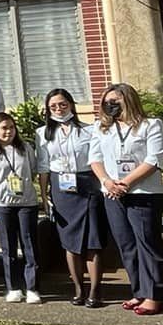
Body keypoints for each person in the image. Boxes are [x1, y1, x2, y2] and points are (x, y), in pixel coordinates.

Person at [92, 82, 163, 316]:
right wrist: (107, 181)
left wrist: (125, 184)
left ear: (128, 100)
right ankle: (139, 291)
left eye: (115, 101)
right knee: (126, 244)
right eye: (106, 102)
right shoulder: (102, 128)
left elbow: (154, 159)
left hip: (143, 194)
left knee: (148, 243)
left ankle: (153, 295)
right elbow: (95, 158)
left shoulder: (150, 125)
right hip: (112, 194)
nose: (110, 106)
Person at [39, 91, 105, 305]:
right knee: (70, 240)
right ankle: (78, 289)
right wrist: (44, 195)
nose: (59, 109)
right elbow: (43, 167)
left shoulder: (89, 129)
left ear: (71, 105)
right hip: (62, 188)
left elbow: (97, 159)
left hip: (87, 184)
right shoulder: (43, 133)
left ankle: (95, 290)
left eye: (62, 104)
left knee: (92, 240)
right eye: (53, 107)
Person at [0, 113, 43, 303]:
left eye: (11, 128)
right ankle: (13, 287)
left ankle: (32, 287)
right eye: (4, 128)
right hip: (2, 205)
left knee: (30, 245)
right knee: (9, 247)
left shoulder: (25, 148)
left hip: (26, 203)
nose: (8, 132)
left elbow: (32, 170)